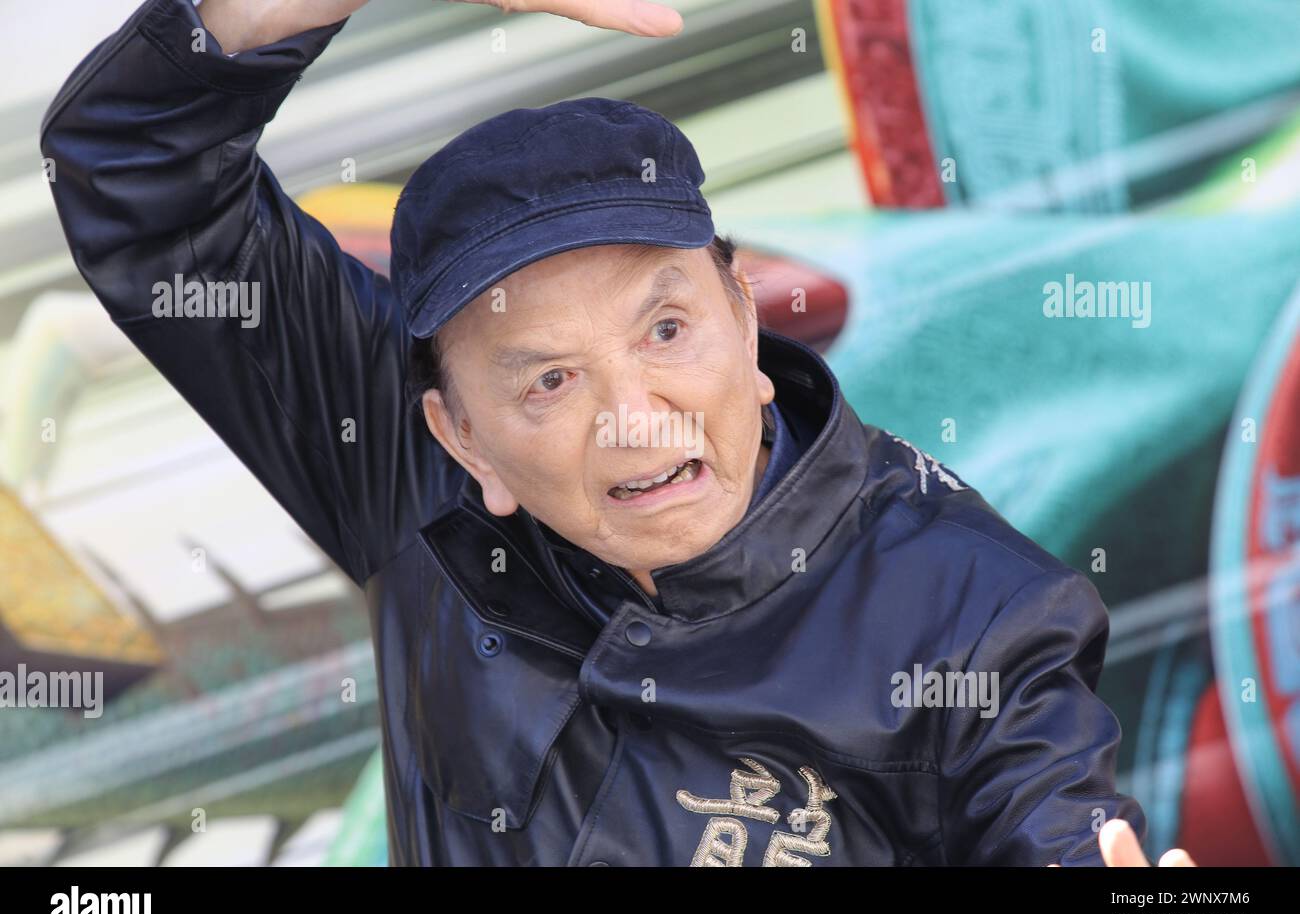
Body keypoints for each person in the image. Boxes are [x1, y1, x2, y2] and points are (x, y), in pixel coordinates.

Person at [40, 0, 1196, 867]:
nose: (633, 414)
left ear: (745, 317)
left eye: (666, 327)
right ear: (464, 438)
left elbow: (1054, 818)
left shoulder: (971, 611)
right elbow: (137, 173)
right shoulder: (409, 473)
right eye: (548, 379)